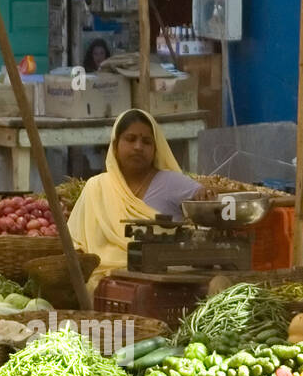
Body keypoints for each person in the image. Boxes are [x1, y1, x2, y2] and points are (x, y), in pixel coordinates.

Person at [67, 108, 211, 287]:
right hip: (102, 285)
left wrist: (205, 195)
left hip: (160, 285)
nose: (138, 147)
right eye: (130, 139)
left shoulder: (171, 182)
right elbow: (74, 242)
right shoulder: (96, 187)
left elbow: (207, 199)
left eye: (146, 142)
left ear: (155, 148)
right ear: (115, 143)